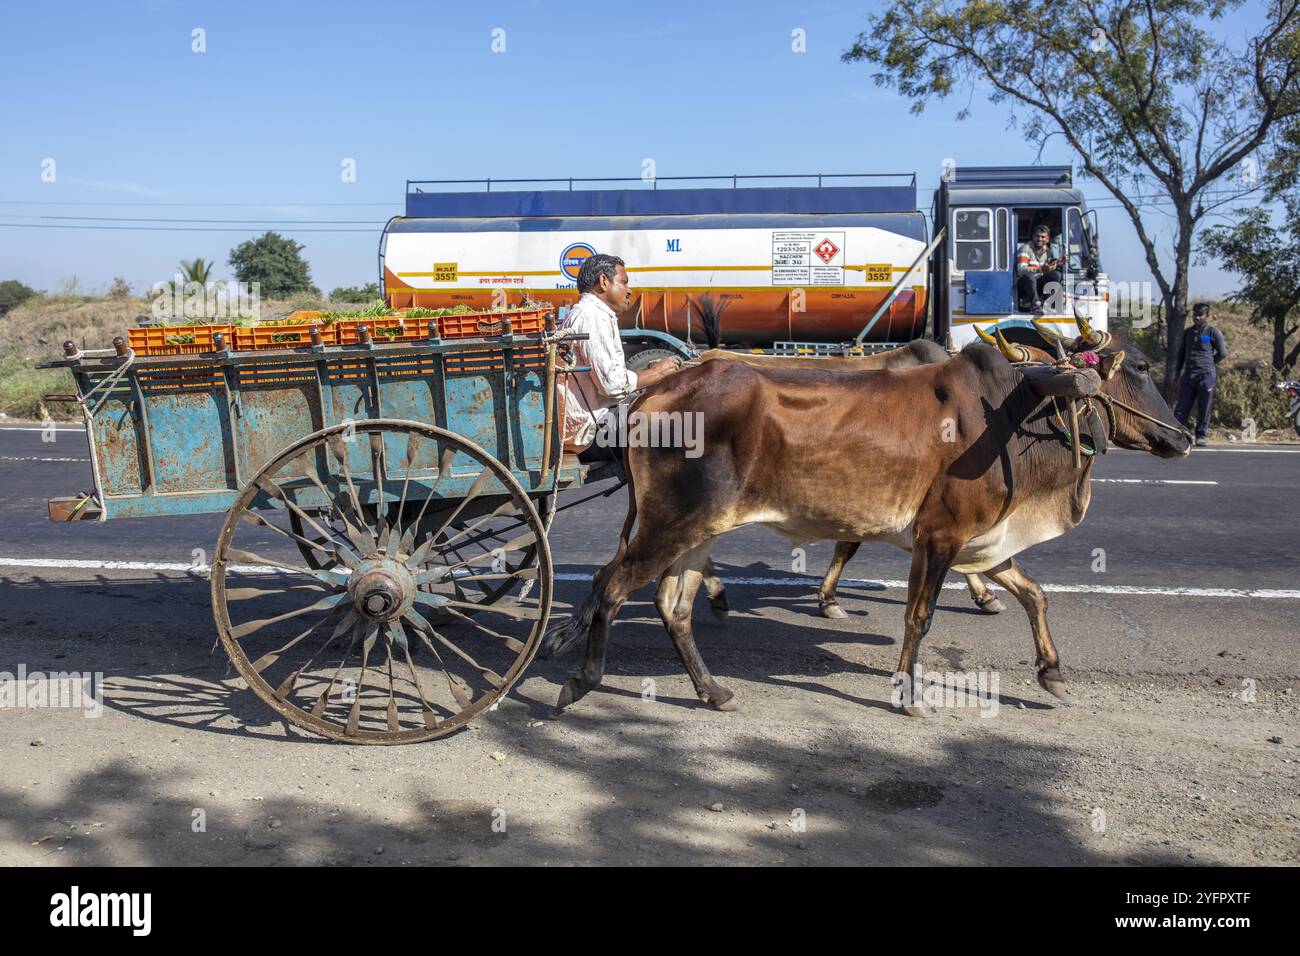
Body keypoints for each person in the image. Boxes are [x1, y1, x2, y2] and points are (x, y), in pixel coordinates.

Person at [559, 253, 680, 462]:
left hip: (591, 420)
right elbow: (612, 385)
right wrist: (656, 373)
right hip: (589, 431)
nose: (629, 290)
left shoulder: (592, 313)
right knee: (684, 424)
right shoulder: (592, 316)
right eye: (624, 282)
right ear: (603, 282)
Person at [1173, 302, 1228, 447]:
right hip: (1189, 376)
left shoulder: (1212, 333)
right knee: (1181, 407)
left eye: (1200, 315)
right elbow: (1181, 354)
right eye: (1194, 315)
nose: (1196, 318)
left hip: (1206, 376)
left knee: (1204, 407)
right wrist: (1177, 373)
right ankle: (1177, 434)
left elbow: (1223, 353)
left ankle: (1201, 435)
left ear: (1206, 316)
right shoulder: (1188, 333)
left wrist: (1210, 363)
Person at [1016, 224, 1066, 313]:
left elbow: (1048, 270)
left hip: (1038, 282)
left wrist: (1058, 264)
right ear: (1033, 237)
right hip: (1025, 284)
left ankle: (1048, 304)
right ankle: (1036, 306)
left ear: (1047, 239)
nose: (1039, 239)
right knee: (1030, 277)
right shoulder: (1025, 249)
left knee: (1056, 275)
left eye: (1043, 237)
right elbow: (1021, 270)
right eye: (1037, 236)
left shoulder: (1048, 251)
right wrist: (1040, 269)